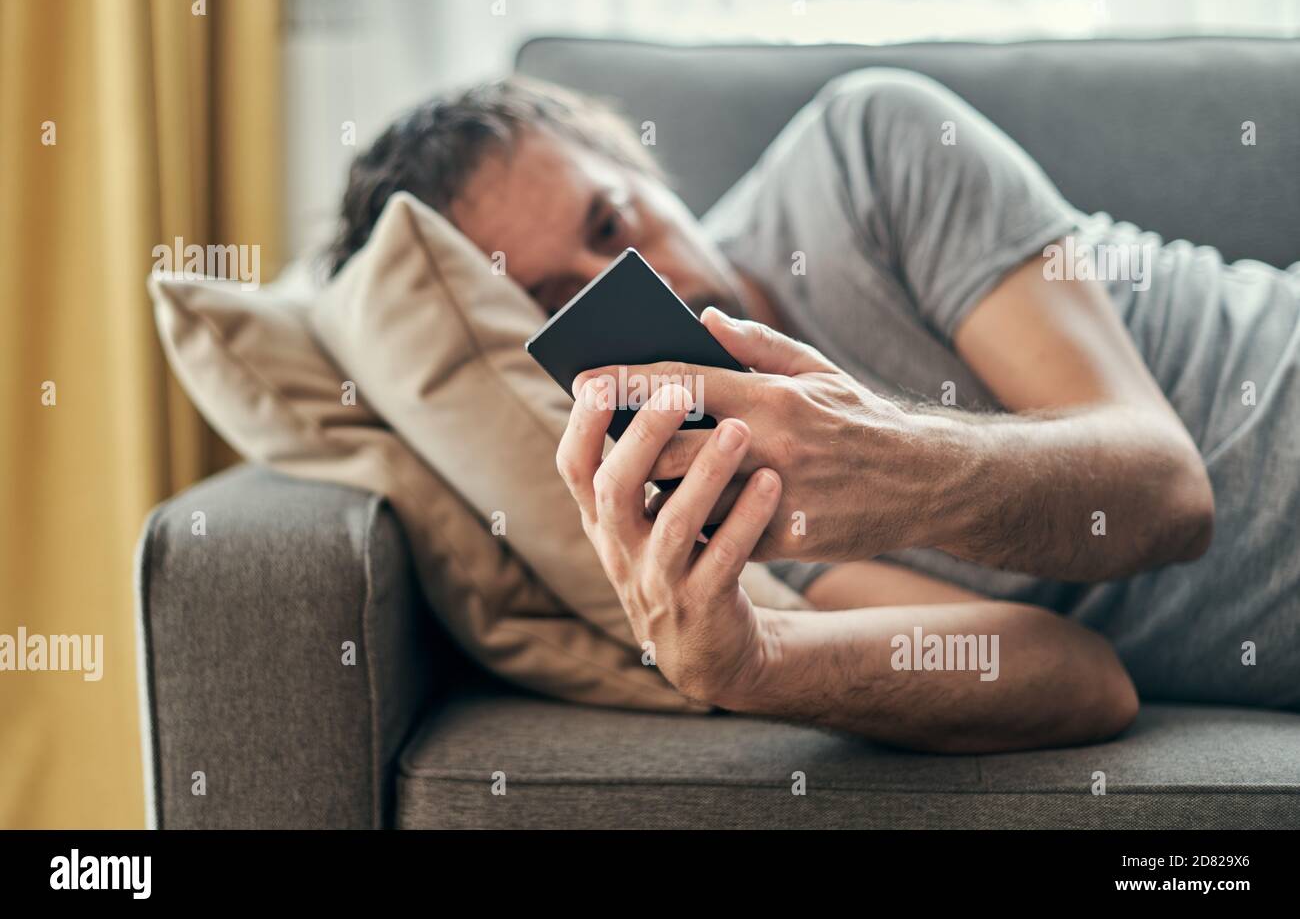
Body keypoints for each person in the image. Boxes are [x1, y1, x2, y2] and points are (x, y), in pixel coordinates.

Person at [329, 70, 1299, 752]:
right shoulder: (714, 497)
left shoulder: (866, 156)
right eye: (557, 302)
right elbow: (1085, 680)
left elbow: (1167, 491)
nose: (635, 276)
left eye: (611, 225)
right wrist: (750, 665)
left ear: (637, 162)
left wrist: (893, 464)